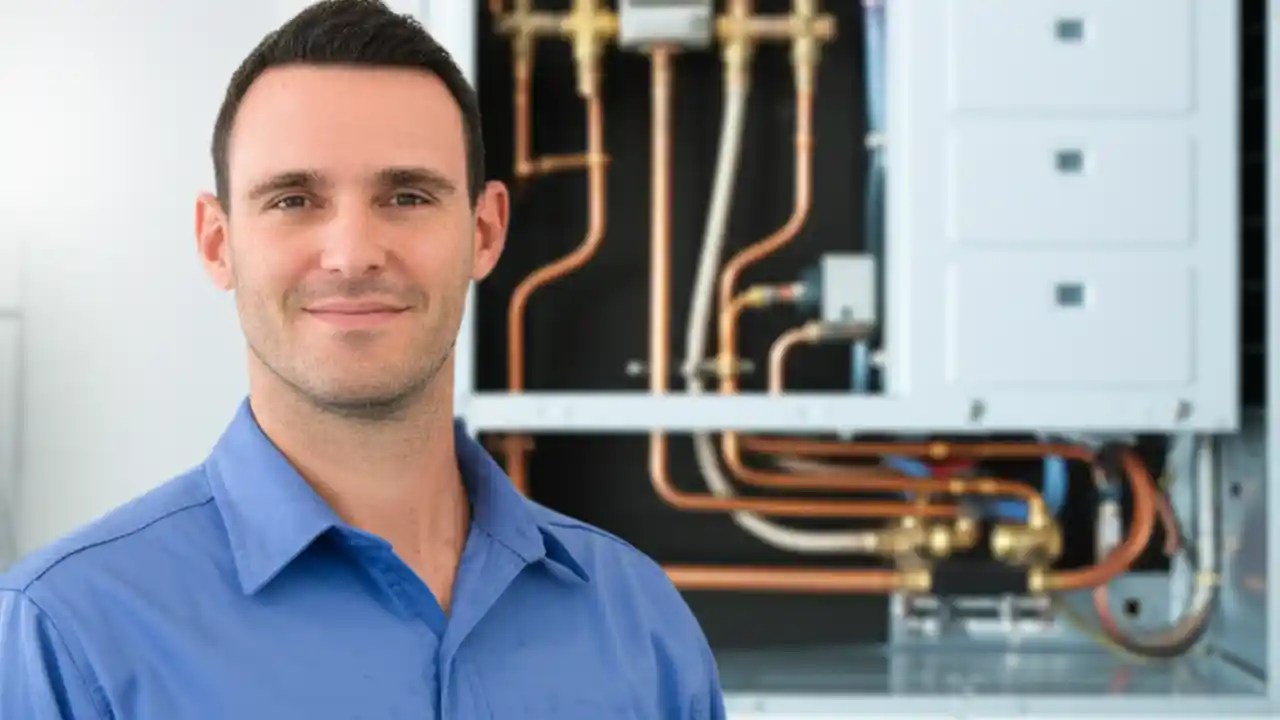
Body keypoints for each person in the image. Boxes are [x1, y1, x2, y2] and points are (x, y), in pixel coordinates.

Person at [0, 1, 727, 717]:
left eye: (407, 196)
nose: (352, 256)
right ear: (218, 242)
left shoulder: (638, 624)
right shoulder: (69, 635)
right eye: (292, 199)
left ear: (484, 230)